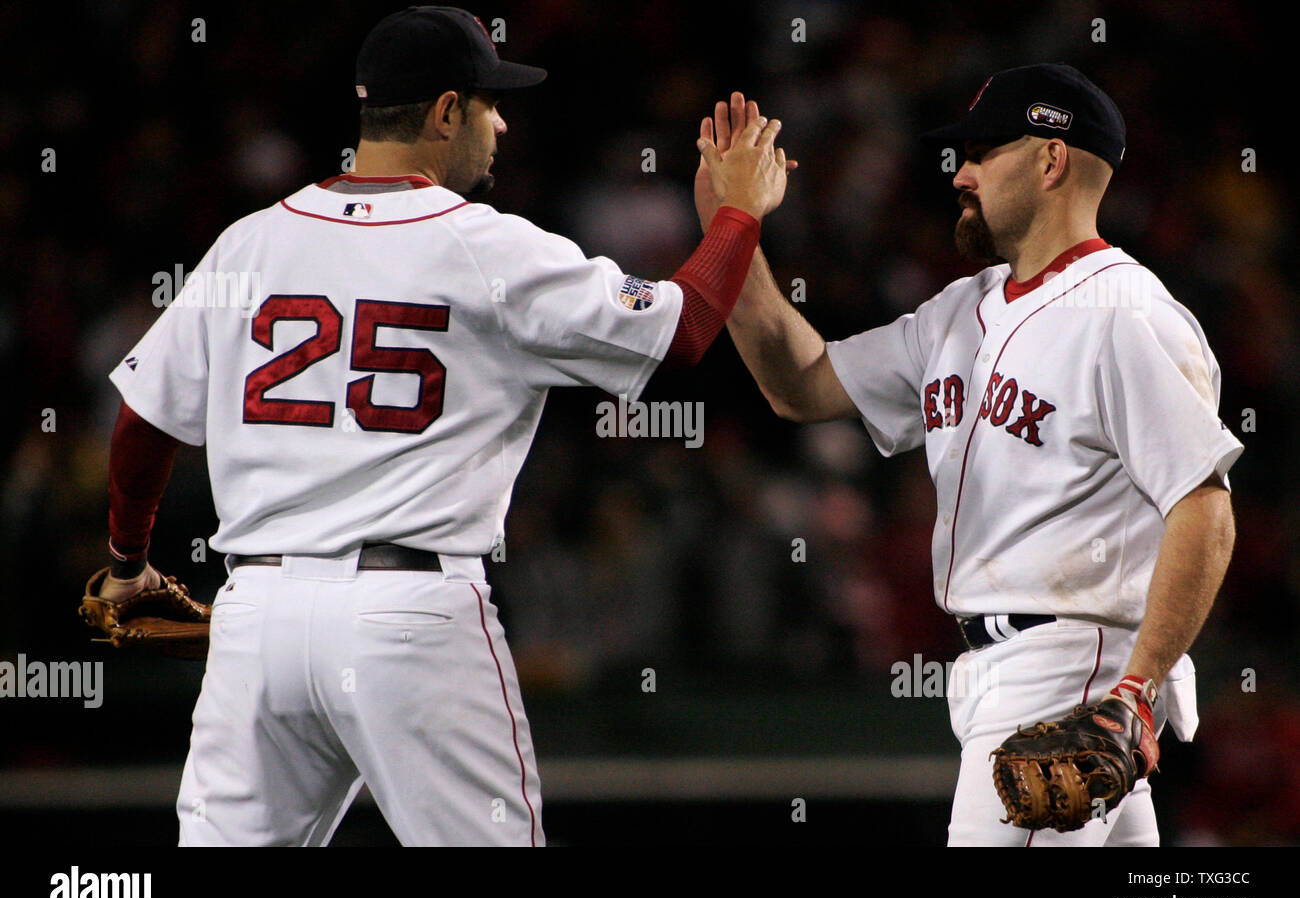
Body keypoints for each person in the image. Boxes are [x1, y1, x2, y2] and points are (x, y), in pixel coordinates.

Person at [96, 5, 788, 846]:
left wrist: (128, 564)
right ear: (446, 112)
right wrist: (739, 216)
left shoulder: (250, 242)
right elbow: (679, 331)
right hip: (411, 615)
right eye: (491, 103)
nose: (502, 123)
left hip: (257, 619)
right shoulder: (485, 246)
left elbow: (142, 418)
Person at [694, 65, 1241, 845]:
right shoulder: (960, 310)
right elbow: (802, 385)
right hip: (1000, 671)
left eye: (983, 150)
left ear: (1052, 160)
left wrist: (1133, 692)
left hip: (1067, 667)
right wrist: (734, 231)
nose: (961, 171)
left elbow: (1205, 508)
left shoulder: (1126, 313)